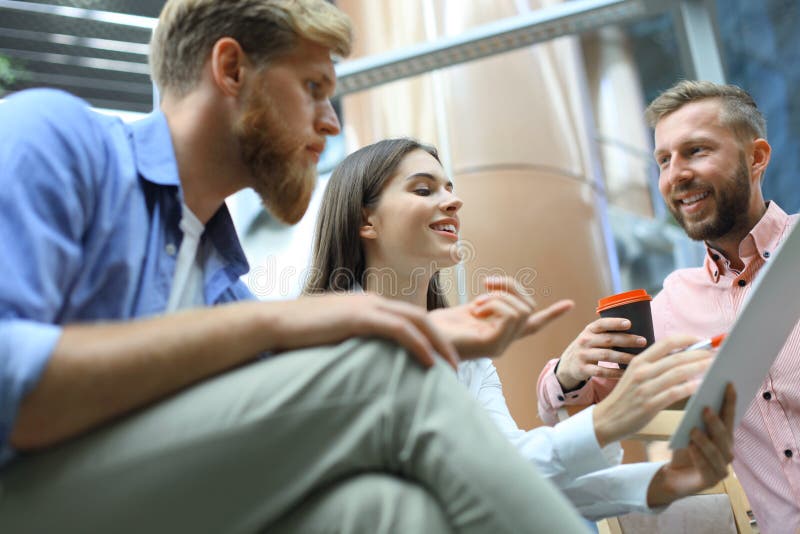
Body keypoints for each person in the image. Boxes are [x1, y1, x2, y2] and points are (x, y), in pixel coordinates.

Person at [0, 1, 605, 533]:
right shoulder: (55, 135)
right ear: (232, 69)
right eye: (313, 87)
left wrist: (414, 331)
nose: (332, 122)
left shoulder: (220, 282)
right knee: (383, 377)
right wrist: (281, 324)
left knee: (384, 508)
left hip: (125, 498)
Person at [304, 137, 737, 521]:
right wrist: (606, 420)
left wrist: (660, 481)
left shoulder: (469, 356)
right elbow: (472, 478)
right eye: (423, 189)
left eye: (450, 188)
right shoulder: (327, 343)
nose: (453, 201)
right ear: (366, 221)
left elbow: (513, 469)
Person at [536, 80, 799, 533]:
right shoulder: (670, 308)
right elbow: (563, 409)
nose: (675, 174)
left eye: (696, 151)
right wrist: (567, 372)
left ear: (756, 158)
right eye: (663, 160)